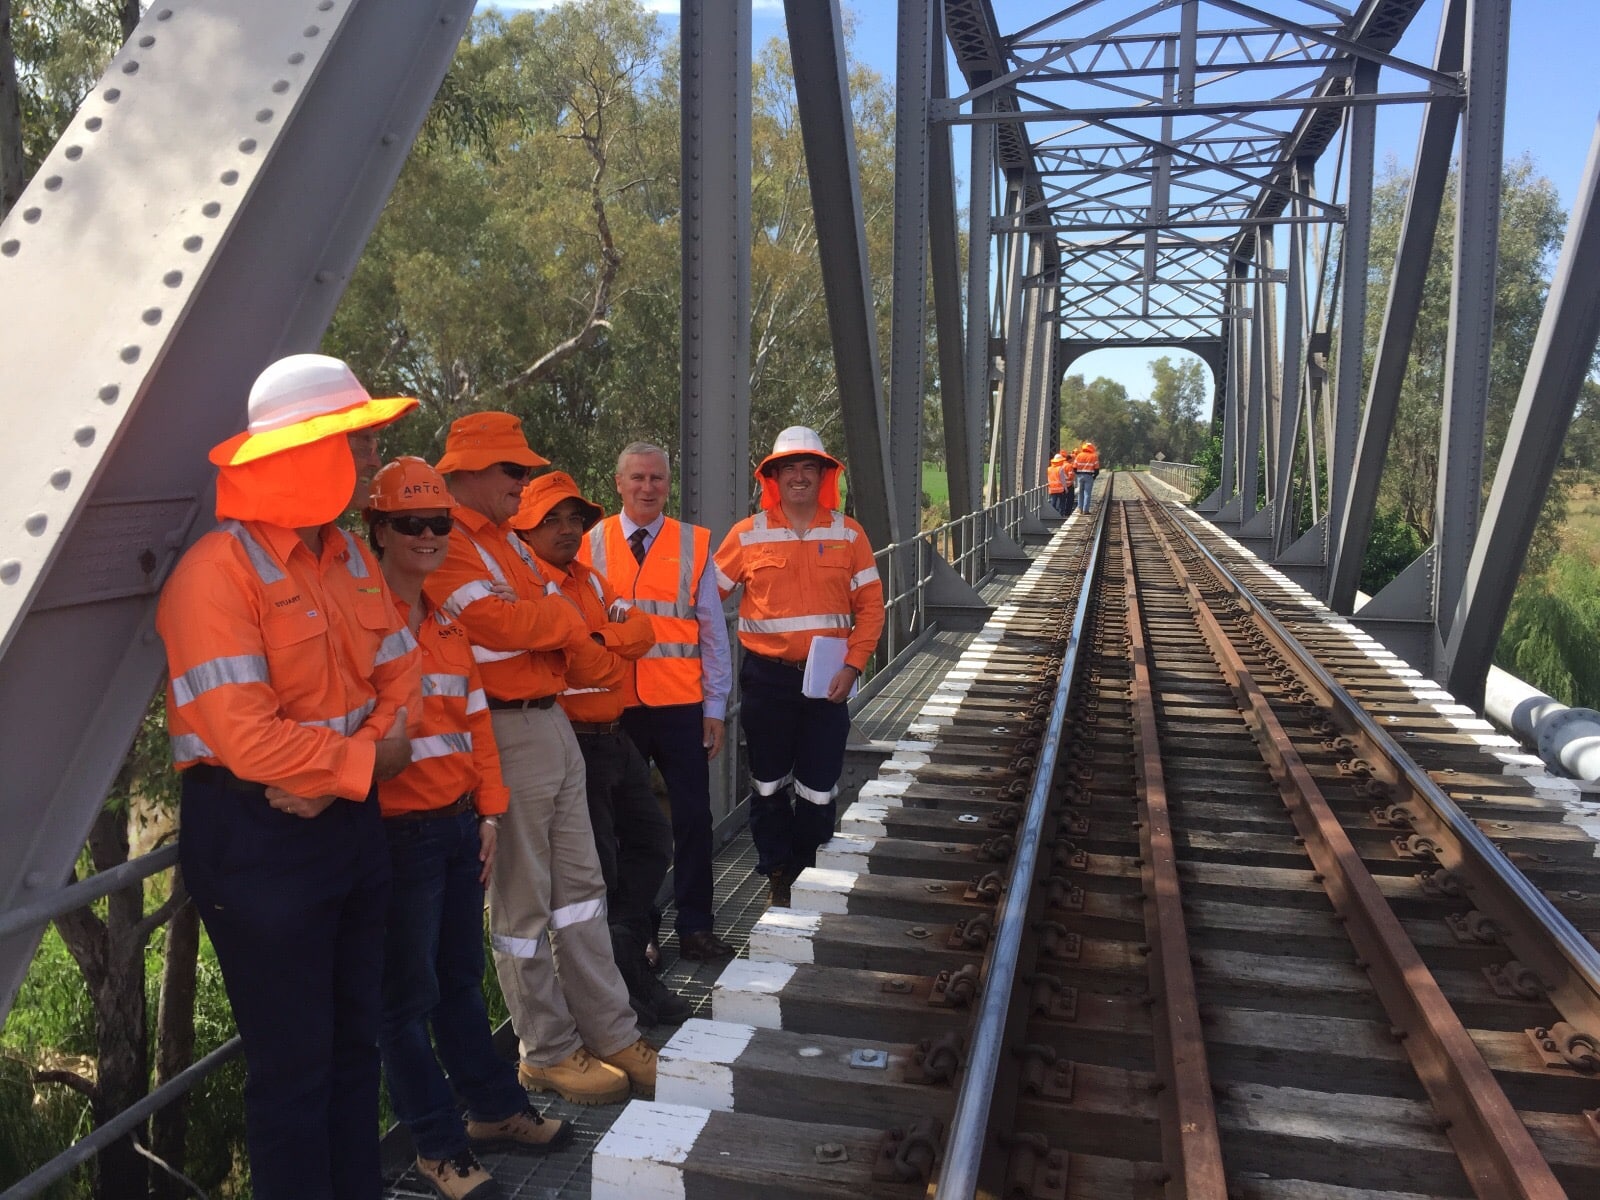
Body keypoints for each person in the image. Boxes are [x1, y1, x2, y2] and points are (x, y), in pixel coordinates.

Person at [157, 354, 422, 1200]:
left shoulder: (347, 557)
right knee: (293, 1071)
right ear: (308, 452)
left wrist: (352, 769)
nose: (374, 458)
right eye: (359, 441)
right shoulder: (215, 576)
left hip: (345, 824)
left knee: (354, 1048)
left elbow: (402, 678)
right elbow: (246, 741)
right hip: (258, 842)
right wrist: (365, 762)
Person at [426, 411, 656, 1106]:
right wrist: (562, 626)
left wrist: (565, 633)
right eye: (512, 470)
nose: (520, 482)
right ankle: (547, 1050)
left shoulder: (508, 546)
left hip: (550, 719)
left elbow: (560, 628)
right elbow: (497, 624)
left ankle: (610, 1031)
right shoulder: (449, 541)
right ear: (468, 471)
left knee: (582, 891)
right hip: (503, 729)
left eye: (524, 470)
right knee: (523, 904)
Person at [364, 458, 570, 1200]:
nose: (428, 535)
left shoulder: (446, 623)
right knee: (403, 1002)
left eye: (439, 524)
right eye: (410, 523)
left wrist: (489, 811)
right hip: (396, 833)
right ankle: (436, 1147)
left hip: (455, 828)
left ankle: (491, 1109)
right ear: (378, 530)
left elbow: (476, 720)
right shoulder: (362, 621)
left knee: (457, 981)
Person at [510, 470, 693, 1028]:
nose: (567, 529)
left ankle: (628, 962)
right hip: (573, 744)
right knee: (599, 872)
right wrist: (608, 649)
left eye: (575, 519)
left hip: (615, 736)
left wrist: (594, 641)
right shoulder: (528, 587)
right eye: (551, 519)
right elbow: (583, 663)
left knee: (653, 842)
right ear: (524, 529)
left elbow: (642, 633)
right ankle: (620, 989)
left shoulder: (589, 581)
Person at [713, 426, 887, 907]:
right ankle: (777, 872)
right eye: (788, 468)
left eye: (809, 467)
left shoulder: (848, 533)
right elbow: (702, 597)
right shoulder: (747, 534)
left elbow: (872, 607)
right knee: (767, 783)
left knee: (818, 786)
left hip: (829, 679)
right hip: (766, 678)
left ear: (823, 475)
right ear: (773, 477)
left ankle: (807, 867)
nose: (799, 477)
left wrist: (853, 666)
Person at [579, 443, 737, 965]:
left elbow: (712, 632)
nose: (648, 487)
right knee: (626, 827)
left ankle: (696, 928)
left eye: (657, 479)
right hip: (616, 709)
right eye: (638, 478)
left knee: (693, 818)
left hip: (681, 705)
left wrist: (715, 707)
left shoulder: (693, 544)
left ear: (669, 484)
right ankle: (638, 934)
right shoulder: (590, 545)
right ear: (618, 483)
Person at [1074, 440, 1101, 512]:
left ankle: (1080, 508)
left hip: (1080, 476)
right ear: (1091, 448)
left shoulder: (1079, 455)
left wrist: (1078, 474)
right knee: (1087, 493)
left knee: (1080, 492)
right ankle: (1085, 510)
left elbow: (1074, 467)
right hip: (1089, 476)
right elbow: (1097, 469)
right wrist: (1094, 477)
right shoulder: (1094, 456)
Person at [1046, 450, 1068, 516]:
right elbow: (1063, 479)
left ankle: (1052, 514)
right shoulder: (1060, 469)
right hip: (1060, 489)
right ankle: (1061, 514)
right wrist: (1066, 488)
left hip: (1052, 488)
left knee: (1053, 501)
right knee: (1062, 502)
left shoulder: (1049, 469)